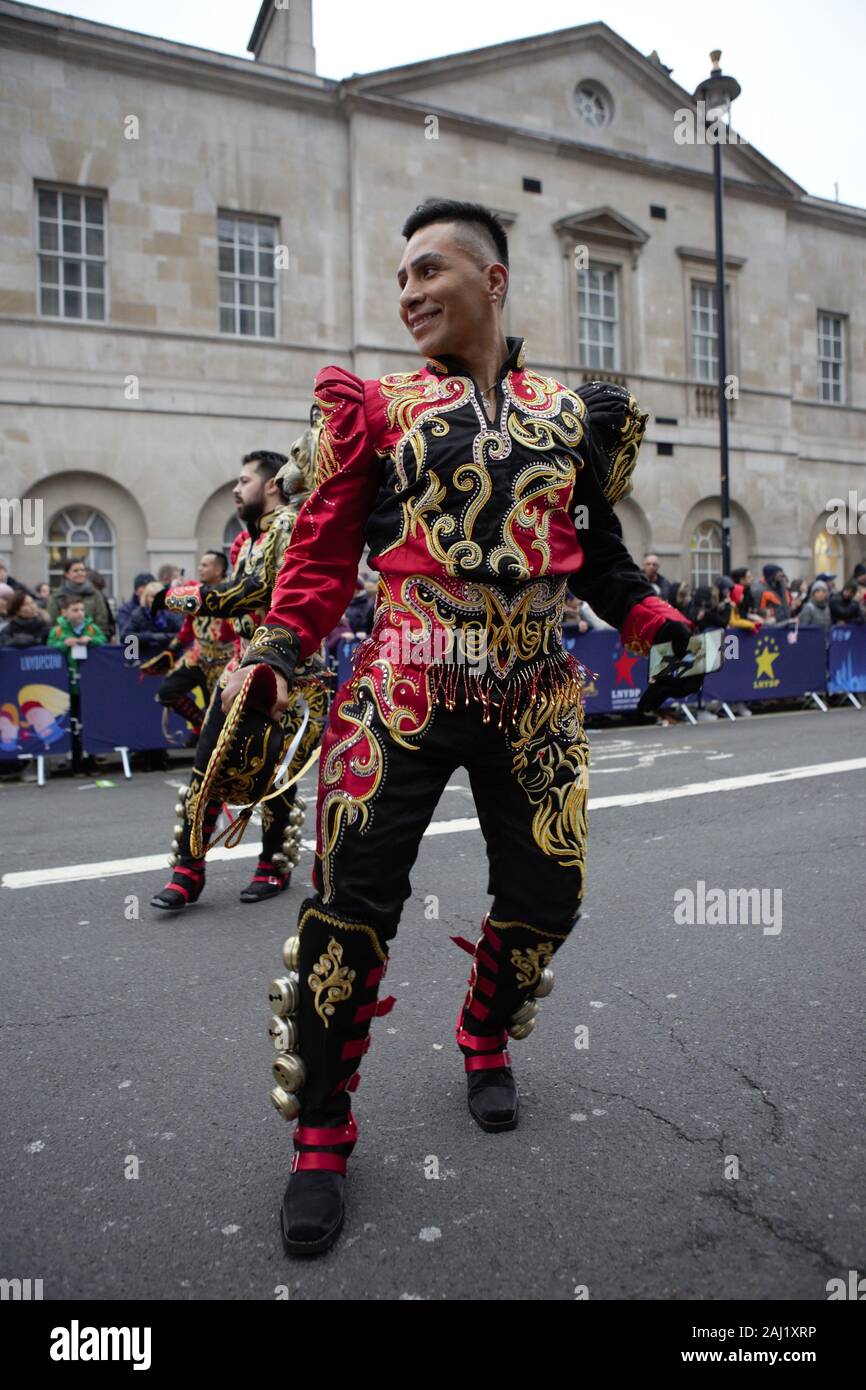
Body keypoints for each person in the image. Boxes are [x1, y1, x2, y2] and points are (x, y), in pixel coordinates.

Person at [220, 198, 693, 1256]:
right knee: (350, 904)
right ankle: (323, 1129)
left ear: (492, 279)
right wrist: (278, 650)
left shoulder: (577, 415)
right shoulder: (372, 406)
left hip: (532, 691)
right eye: (398, 280)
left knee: (547, 890)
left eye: (427, 271)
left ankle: (483, 1030)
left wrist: (655, 619)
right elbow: (321, 558)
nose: (408, 295)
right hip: (403, 685)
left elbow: (599, 556)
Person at [148, 441, 330, 910]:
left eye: (244, 480)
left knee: (273, 776)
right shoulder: (249, 538)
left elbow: (250, 592)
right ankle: (188, 870)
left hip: (292, 672)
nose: (236, 488)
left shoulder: (287, 526)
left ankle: (273, 864)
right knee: (206, 767)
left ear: (271, 485)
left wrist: (176, 594)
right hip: (244, 668)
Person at [141, 551, 236, 734]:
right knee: (166, 692)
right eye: (200, 565)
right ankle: (202, 723)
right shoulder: (196, 592)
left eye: (204, 565)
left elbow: (238, 630)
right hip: (197, 657)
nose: (200, 568)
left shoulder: (233, 594)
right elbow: (187, 628)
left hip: (223, 663)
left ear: (218, 569)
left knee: (221, 714)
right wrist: (171, 651)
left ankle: (212, 733)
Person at [47, 594, 107, 773]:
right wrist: (64, 644)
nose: (80, 613)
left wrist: (92, 641)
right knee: (71, 723)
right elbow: (50, 646)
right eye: (75, 610)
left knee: (89, 720)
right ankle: (74, 759)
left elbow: (103, 641)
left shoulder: (92, 628)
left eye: (82, 609)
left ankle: (90, 759)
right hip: (67, 685)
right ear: (64, 612)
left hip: (89, 685)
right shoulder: (57, 630)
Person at [47, 557, 112, 634]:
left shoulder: (95, 594)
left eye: (82, 570)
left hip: (92, 640)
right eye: (75, 571)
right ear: (67, 574)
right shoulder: (57, 596)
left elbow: (102, 621)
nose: (80, 573)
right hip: (64, 641)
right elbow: (53, 621)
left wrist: (91, 637)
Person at [117, 572, 155, 639]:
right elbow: (125, 634)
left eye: (150, 587)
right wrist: (151, 636)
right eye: (144, 587)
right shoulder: (126, 610)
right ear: (136, 591)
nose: (147, 591)